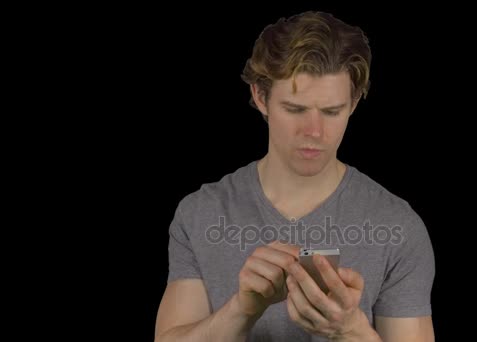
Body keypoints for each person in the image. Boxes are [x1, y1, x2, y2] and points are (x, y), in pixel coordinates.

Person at [155, 11, 435, 342]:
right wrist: (242, 309)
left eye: (331, 112)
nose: (314, 132)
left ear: (354, 102)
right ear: (261, 97)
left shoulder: (398, 226)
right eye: (295, 109)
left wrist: (351, 331)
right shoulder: (201, 213)